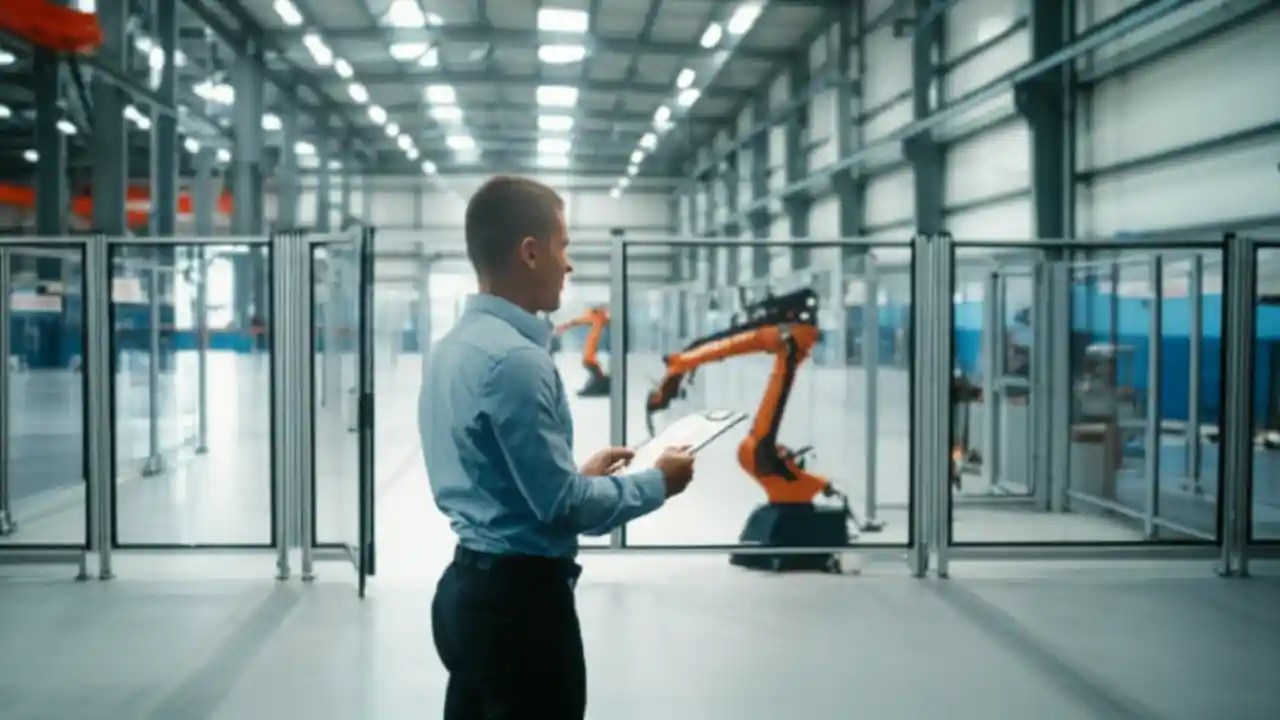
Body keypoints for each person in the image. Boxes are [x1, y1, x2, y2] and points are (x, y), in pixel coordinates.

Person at [419, 175, 697, 719]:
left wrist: (583, 473)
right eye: (563, 246)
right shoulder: (517, 361)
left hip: (464, 596)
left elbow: (494, 474)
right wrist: (657, 482)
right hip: (520, 611)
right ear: (530, 252)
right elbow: (563, 508)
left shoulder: (451, 349)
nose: (568, 264)